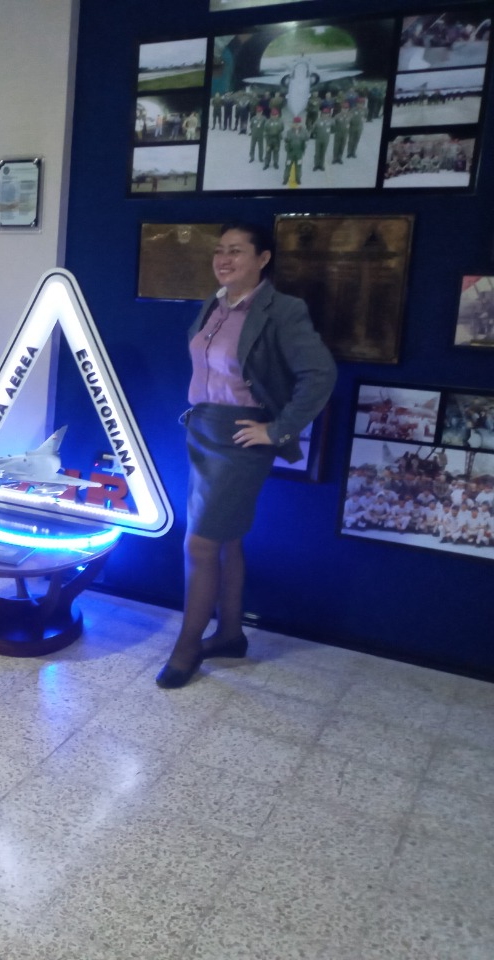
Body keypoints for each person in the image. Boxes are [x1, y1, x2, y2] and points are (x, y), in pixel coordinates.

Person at [158, 222, 336, 689]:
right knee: (227, 539)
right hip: (202, 430)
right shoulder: (214, 304)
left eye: (236, 251)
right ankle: (231, 634)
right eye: (219, 250)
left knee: (199, 544)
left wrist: (277, 430)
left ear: (263, 258)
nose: (224, 259)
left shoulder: (283, 310)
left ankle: (187, 648)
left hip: (239, 439)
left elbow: (320, 374)